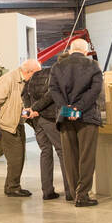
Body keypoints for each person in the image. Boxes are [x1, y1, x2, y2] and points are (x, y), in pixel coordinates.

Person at [48, 39, 104, 207]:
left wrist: (68, 109)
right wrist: (78, 108)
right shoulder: (93, 66)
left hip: (65, 118)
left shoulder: (57, 67)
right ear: (86, 51)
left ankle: (73, 193)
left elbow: (53, 90)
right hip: (87, 117)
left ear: (71, 50)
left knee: (70, 158)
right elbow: (95, 90)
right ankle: (83, 194)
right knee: (86, 157)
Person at [0, 58, 42, 198]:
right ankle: (13, 187)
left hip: (18, 124)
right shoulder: (8, 79)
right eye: (37, 72)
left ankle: (10, 186)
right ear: (29, 72)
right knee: (16, 159)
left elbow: (18, 104)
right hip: (7, 125)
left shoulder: (25, 82)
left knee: (19, 157)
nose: (39, 76)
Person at [22, 63, 72, 202]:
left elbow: (24, 93)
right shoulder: (54, 74)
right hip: (49, 118)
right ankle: (70, 192)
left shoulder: (30, 79)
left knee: (45, 152)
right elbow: (51, 95)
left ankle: (47, 191)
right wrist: (37, 107)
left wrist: (31, 109)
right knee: (62, 152)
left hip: (37, 120)